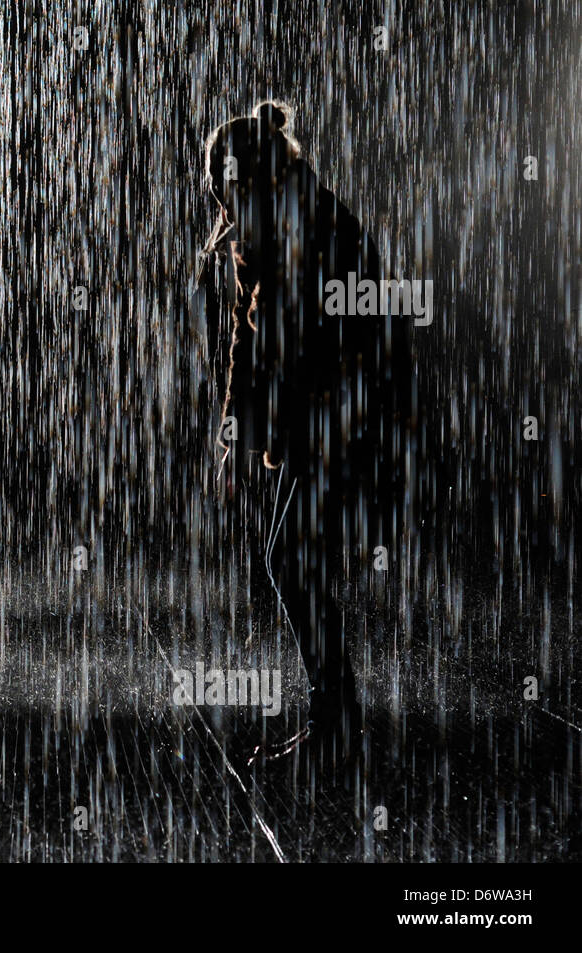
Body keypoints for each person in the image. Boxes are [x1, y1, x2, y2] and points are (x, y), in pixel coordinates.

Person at [195, 100, 414, 772]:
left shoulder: (317, 224)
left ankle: (337, 723)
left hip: (346, 415)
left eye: (230, 192)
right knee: (293, 558)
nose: (227, 209)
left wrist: (328, 422)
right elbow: (247, 337)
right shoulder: (268, 229)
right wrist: (238, 429)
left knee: (293, 557)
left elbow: (346, 331)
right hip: (319, 420)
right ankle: (335, 720)